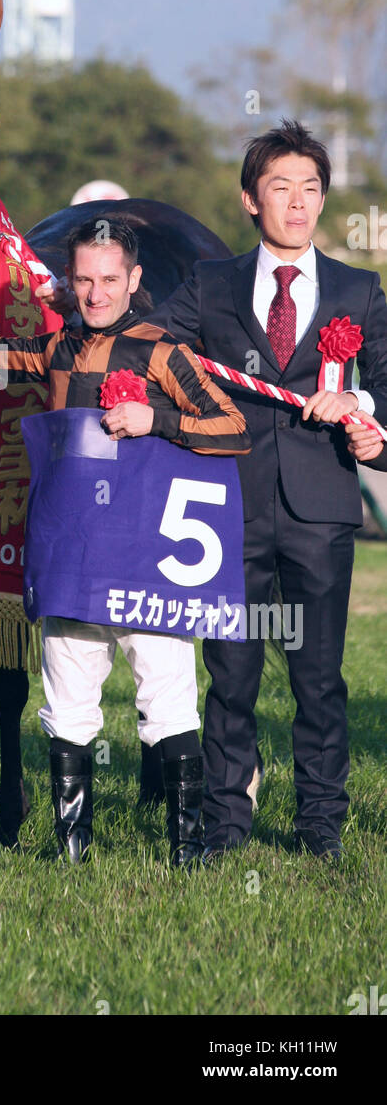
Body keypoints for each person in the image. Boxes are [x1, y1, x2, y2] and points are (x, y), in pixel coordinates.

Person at [0, 213, 250, 865]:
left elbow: (233, 428)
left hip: (146, 557)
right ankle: (73, 850)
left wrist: (156, 418)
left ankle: (188, 850)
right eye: (83, 279)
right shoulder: (55, 347)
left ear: (134, 279)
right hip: (72, 555)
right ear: (69, 279)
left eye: (109, 279)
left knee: (168, 700)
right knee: (67, 703)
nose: (95, 293)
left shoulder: (163, 351)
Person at [152, 119, 387, 862]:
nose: (298, 203)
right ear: (250, 199)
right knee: (230, 676)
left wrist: (361, 406)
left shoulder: (359, 289)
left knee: (319, 679)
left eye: (311, 189)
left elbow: (385, 385)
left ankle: (322, 826)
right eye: (280, 187)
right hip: (227, 506)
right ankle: (224, 826)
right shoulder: (211, 285)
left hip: (320, 510)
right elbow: (154, 348)